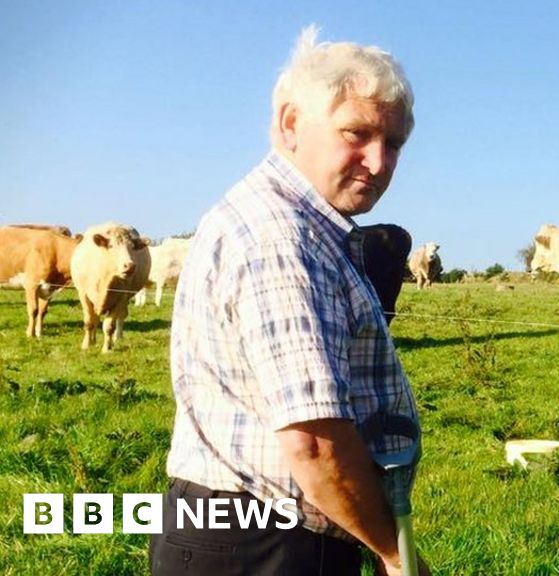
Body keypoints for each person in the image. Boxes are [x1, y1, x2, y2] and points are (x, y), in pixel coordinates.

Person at [150, 25, 430, 576]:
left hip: (243, 530)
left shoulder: (295, 224)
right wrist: (397, 556)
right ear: (291, 123)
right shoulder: (282, 238)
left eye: (392, 142)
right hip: (266, 546)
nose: (378, 161)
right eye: (356, 133)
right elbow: (315, 443)